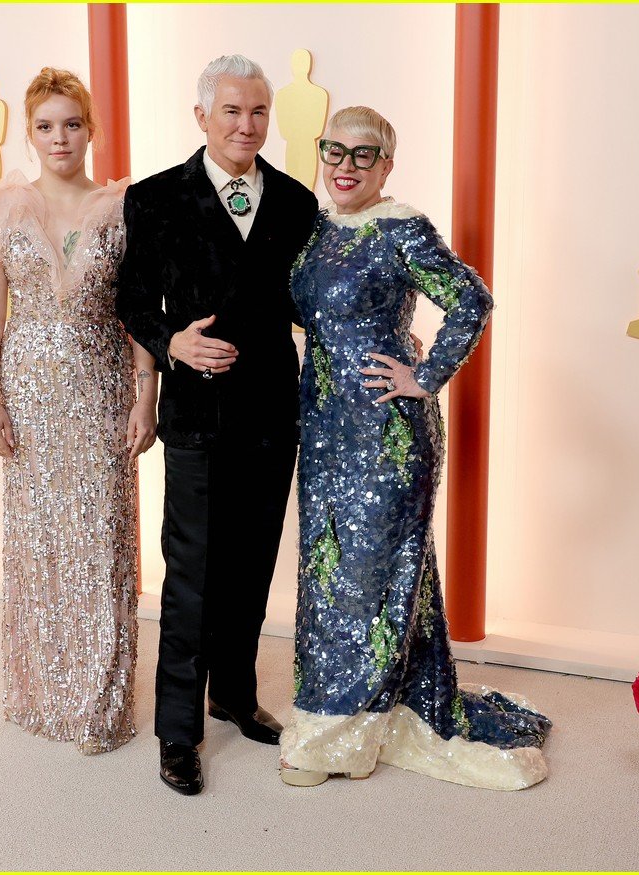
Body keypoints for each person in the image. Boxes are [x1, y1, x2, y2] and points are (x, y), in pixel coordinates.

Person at [280, 106, 552, 790]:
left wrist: (423, 376)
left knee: (365, 578)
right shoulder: (314, 228)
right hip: (322, 431)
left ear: (388, 165)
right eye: (334, 150)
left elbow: (471, 297)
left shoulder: (400, 227)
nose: (345, 165)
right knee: (327, 575)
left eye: (363, 154)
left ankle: (334, 734)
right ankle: (377, 706)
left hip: (385, 437)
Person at [116, 55, 319, 795]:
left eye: (258, 112)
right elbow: (131, 297)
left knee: (251, 565)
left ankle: (234, 694)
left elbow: (313, 303)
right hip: (197, 416)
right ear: (201, 116)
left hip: (272, 412)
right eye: (232, 111)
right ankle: (178, 728)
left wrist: (382, 334)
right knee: (194, 574)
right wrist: (171, 341)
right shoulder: (156, 198)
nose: (246, 124)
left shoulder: (298, 201)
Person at [0, 68, 158, 755]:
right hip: (29, 392)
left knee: (102, 541)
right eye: (46, 125)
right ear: (30, 132)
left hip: (102, 384)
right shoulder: (5, 207)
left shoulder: (121, 206)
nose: (59, 137)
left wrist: (146, 392)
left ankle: (101, 705)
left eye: (72, 124)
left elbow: (140, 312)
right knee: (41, 540)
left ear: (91, 129)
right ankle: (46, 691)